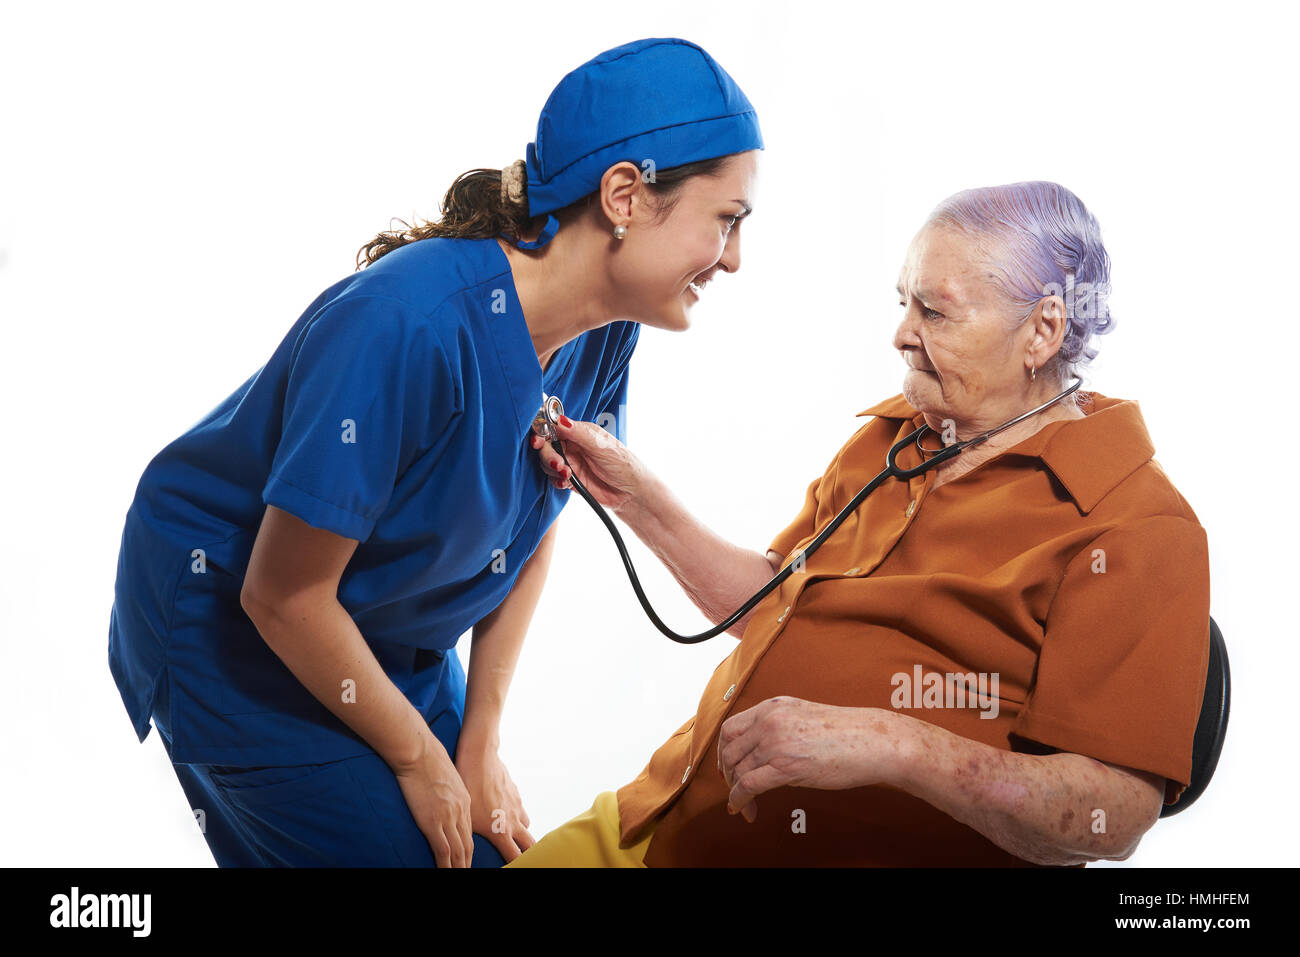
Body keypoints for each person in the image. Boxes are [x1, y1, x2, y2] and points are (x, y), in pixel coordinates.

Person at [106, 36, 763, 867]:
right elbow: (282, 595)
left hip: (375, 624)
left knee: (484, 854)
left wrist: (479, 739)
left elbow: (537, 515)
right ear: (626, 195)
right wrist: (420, 756)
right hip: (233, 620)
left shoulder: (605, 333)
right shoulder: (407, 324)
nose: (735, 259)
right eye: (728, 221)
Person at [509, 181, 1212, 867]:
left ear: (1042, 330)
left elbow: (1110, 814)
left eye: (935, 313)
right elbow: (767, 605)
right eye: (905, 302)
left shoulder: (1137, 526)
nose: (902, 334)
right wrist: (634, 493)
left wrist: (890, 743)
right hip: (663, 823)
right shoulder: (897, 437)